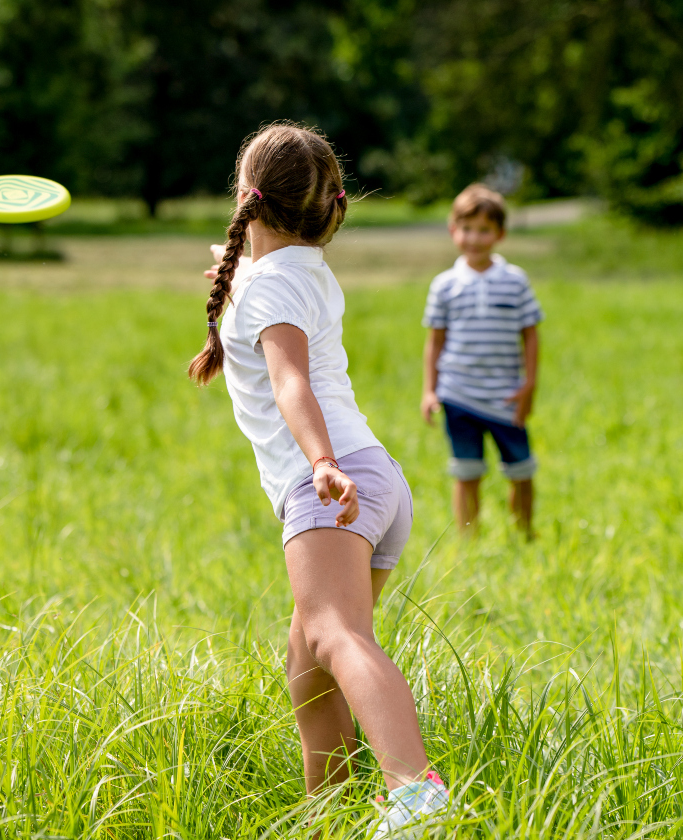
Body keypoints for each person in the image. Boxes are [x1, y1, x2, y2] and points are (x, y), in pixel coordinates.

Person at [189, 123, 448, 835]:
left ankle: (414, 790)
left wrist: (320, 462)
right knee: (309, 669)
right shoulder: (299, 269)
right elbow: (262, 285)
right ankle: (328, 817)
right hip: (377, 480)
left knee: (336, 636)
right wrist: (237, 273)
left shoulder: (270, 284)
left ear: (246, 197)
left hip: (332, 482)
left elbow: (291, 384)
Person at [420, 184, 544, 537]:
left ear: (500, 234)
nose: (475, 238)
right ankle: (468, 540)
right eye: (467, 228)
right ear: (453, 230)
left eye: (485, 230)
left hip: (506, 396)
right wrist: (429, 391)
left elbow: (531, 335)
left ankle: (525, 533)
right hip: (458, 394)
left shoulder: (515, 282)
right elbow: (435, 341)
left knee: (521, 471)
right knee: (466, 471)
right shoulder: (443, 285)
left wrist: (529, 385)